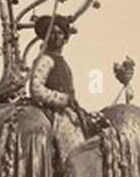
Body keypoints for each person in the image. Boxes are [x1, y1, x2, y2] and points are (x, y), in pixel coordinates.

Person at [28, 14, 95, 160]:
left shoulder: (62, 61)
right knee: (74, 152)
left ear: (65, 38)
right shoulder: (45, 59)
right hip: (55, 114)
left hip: (70, 112)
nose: (56, 36)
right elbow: (36, 89)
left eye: (59, 33)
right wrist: (63, 99)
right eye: (51, 33)